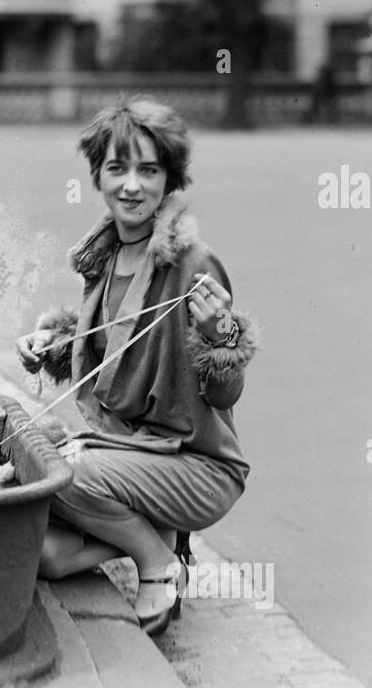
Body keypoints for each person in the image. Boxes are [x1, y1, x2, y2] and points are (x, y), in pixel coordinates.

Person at [15, 96, 260, 636]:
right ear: (98, 176)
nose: (132, 185)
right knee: (48, 553)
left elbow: (225, 393)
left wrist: (222, 335)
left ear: (169, 180)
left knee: (64, 469)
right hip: (133, 456)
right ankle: (161, 532)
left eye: (148, 171)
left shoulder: (192, 263)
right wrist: (50, 344)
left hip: (196, 465)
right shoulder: (106, 258)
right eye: (117, 168)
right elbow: (114, 349)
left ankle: (157, 562)